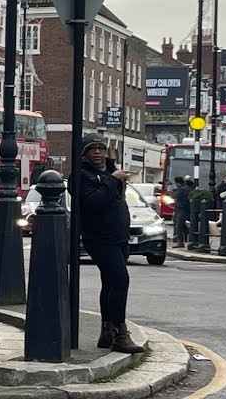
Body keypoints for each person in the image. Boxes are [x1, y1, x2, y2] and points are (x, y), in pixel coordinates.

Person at [72, 134, 144, 354]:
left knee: (110, 283)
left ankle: (107, 332)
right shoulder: (81, 176)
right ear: (84, 153)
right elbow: (94, 202)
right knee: (121, 280)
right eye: (92, 148)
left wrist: (112, 179)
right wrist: (112, 180)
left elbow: (117, 200)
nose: (97, 152)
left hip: (119, 236)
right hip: (99, 237)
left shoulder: (111, 171)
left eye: (100, 148)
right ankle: (121, 335)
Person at [172, 175, 193, 247]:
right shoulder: (186, 188)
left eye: (175, 183)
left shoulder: (182, 189)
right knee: (183, 225)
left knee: (179, 225)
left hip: (181, 209)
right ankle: (185, 239)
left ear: (178, 183)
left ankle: (181, 242)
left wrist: (176, 202)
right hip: (185, 209)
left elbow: (179, 199)